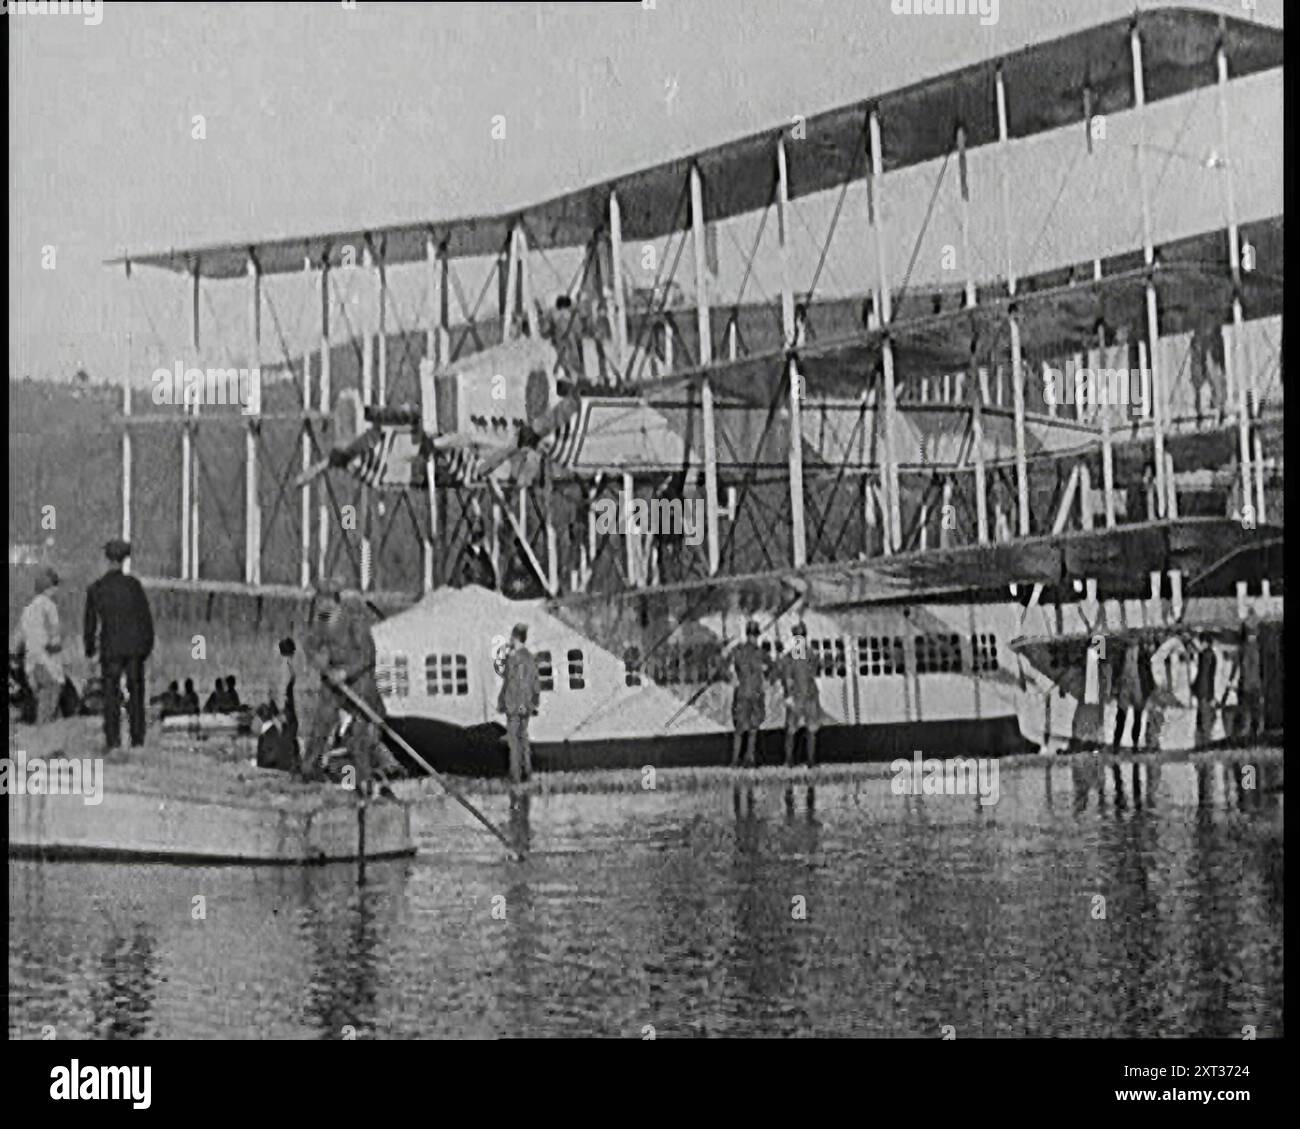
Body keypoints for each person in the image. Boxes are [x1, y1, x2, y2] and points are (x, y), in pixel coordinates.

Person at [302, 583, 397, 788]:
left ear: (335, 602)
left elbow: (368, 656)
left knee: (359, 733)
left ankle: (364, 780)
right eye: (318, 605)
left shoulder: (355, 621)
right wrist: (317, 659)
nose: (321, 609)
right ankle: (309, 770)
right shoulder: (322, 619)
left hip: (359, 681)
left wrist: (345, 673)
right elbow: (310, 644)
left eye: (324, 604)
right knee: (322, 722)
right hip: (333, 680)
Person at [84, 539, 154, 750]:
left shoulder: (97, 588)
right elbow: (146, 620)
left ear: (107, 558)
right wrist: (146, 648)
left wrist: (90, 650)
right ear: (124, 559)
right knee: (136, 694)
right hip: (134, 649)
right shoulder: (134, 586)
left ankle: (113, 741)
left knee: (111, 696)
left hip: (111, 648)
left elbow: (90, 624)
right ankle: (137, 739)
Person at [13, 567, 64, 724]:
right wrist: (57, 649)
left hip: (30, 662)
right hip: (45, 660)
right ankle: (43, 729)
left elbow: (19, 638)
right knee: (52, 690)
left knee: (41, 695)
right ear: (51, 587)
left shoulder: (27, 610)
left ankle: (42, 726)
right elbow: (54, 636)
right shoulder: (49, 606)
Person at [497, 623, 540, 783]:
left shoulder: (513, 659)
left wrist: (503, 702)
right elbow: (536, 684)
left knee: (514, 741)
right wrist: (533, 704)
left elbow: (509, 682)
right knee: (524, 740)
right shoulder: (530, 657)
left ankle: (515, 775)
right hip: (526, 706)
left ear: (515, 638)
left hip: (514, 705)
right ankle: (527, 773)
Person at [775, 623, 820, 767]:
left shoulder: (790, 654)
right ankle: (810, 761)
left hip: (797, 696)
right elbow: (815, 670)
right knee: (810, 730)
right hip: (808, 695)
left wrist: (788, 694)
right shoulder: (811, 653)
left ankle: (789, 761)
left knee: (792, 731)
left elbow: (786, 676)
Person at [729, 620, 768, 768]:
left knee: (744, 728)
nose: (754, 638)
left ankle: (739, 760)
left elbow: (727, 665)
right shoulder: (759, 653)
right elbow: (771, 668)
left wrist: (732, 677)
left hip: (745, 693)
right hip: (752, 694)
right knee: (750, 729)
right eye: (754, 635)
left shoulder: (738, 651)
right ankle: (746, 759)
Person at [1228, 610, 1264, 742]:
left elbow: (1238, 665)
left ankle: (1248, 734)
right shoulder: (1256, 647)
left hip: (1247, 685)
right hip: (1254, 684)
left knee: (1247, 711)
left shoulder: (1244, 648)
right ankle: (1255, 735)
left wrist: (1231, 681)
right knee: (1255, 712)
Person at [1111, 638, 1148, 753]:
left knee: (1137, 715)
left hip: (1137, 684)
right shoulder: (1122, 651)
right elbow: (1116, 668)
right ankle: (1116, 743)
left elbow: (1147, 669)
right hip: (1125, 683)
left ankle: (1135, 744)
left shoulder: (1142, 652)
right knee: (1121, 714)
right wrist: (1115, 684)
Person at [1191, 633, 1218, 747]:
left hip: (1204, 690)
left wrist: (1195, 688)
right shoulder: (1209, 655)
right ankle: (1203, 743)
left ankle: (1203, 743)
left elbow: (1204, 674)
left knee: (1204, 718)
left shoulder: (1206, 655)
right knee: (1204, 717)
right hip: (1206, 690)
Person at [458, 524, 498, 590]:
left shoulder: (483, 554)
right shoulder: (466, 554)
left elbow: (490, 575)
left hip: (484, 589)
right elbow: (463, 573)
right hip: (471, 589)